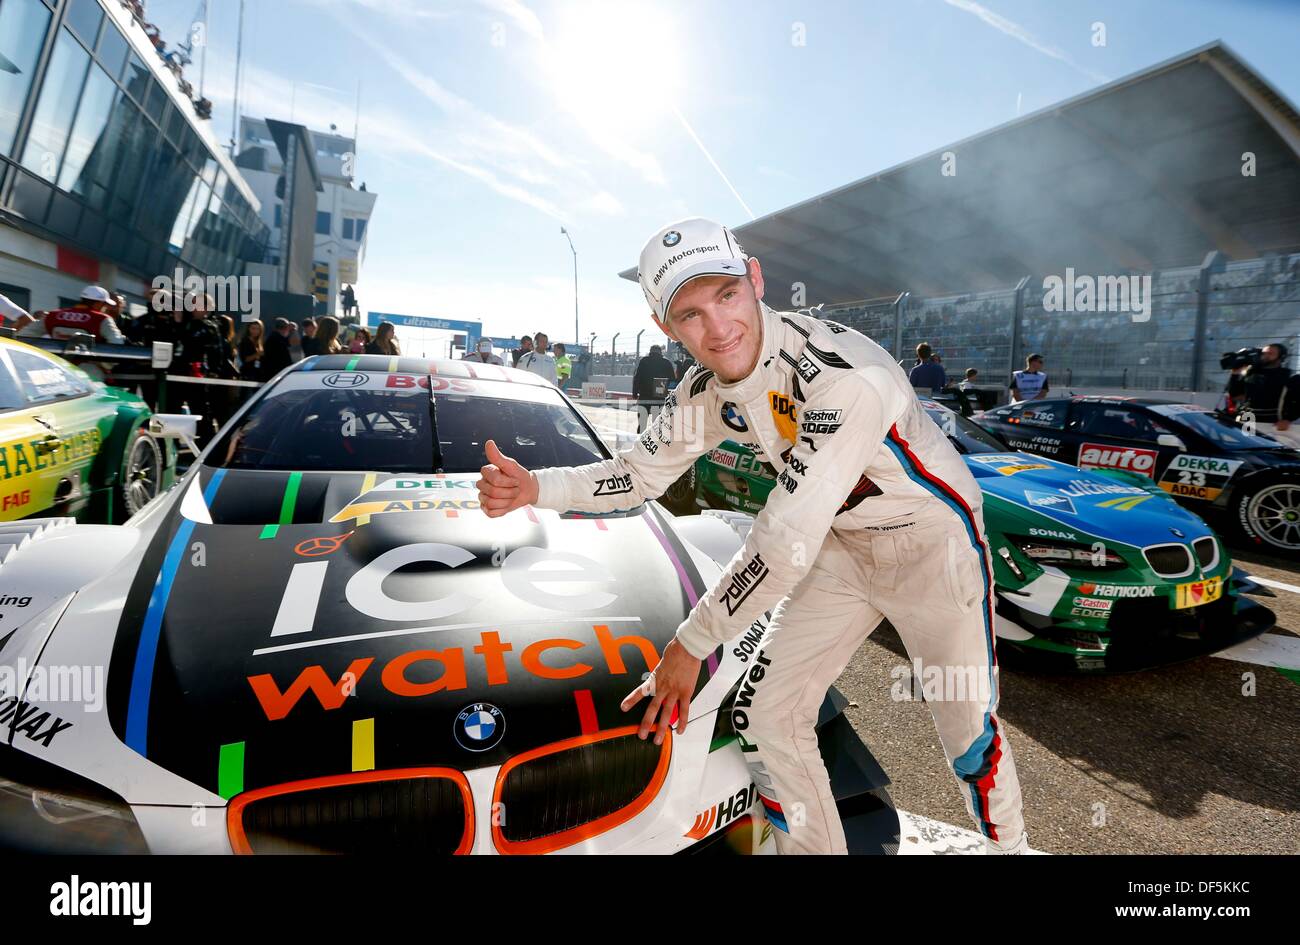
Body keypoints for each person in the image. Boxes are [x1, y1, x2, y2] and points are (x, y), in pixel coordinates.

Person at [477, 217, 1026, 855]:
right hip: (841, 549)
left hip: (932, 545)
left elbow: (783, 543)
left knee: (968, 735)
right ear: (665, 327)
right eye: (689, 314)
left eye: (727, 295)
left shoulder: (843, 377)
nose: (717, 328)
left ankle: (1009, 849)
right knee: (765, 715)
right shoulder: (705, 391)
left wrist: (690, 646)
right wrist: (538, 488)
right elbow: (638, 474)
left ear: (756, 280)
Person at [1230, 343, 1300, 447]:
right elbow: (1236, 395)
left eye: (1271, 353)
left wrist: (1288, 419)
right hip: (1248, 421)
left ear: (1281, 357)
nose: (1265, 356)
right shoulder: (1250, 373)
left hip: (1275, 425)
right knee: (1246, 453)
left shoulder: (1290, 376)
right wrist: (1235, 373)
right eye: (1264, 353)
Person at [23, 285, 127, 345]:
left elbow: (25, 335)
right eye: (105, 304)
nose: (106, 308)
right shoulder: (102, 319)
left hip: (56, 364)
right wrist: (104, 366)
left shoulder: (52, 315)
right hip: (88, 368)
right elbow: (117, 344)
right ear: (98, 303)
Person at [632, 343, 678, 432]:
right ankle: (655, 444)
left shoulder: (644, 361)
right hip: (659, 396)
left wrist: (634, 392)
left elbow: (637, 378)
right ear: (660, 352)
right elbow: (672, 379)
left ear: (650, 352)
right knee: (657, 425)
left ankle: (639, 443)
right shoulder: (666, 362)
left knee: (642, 424)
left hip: (644, 396)